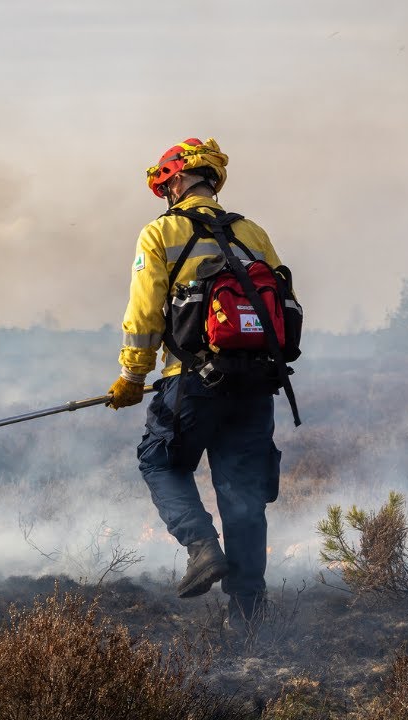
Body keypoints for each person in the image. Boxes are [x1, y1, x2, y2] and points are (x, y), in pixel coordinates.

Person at [105, 138, 286, 625]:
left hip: (190, 382)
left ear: (178, 180)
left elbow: (144, 313)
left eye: (166, 185)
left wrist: (130, 376)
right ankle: (248, 614)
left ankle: (202, 548)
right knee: (242, 493)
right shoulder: (254, 233)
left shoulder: (161, 232)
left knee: (159, 462)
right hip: (255, 384)